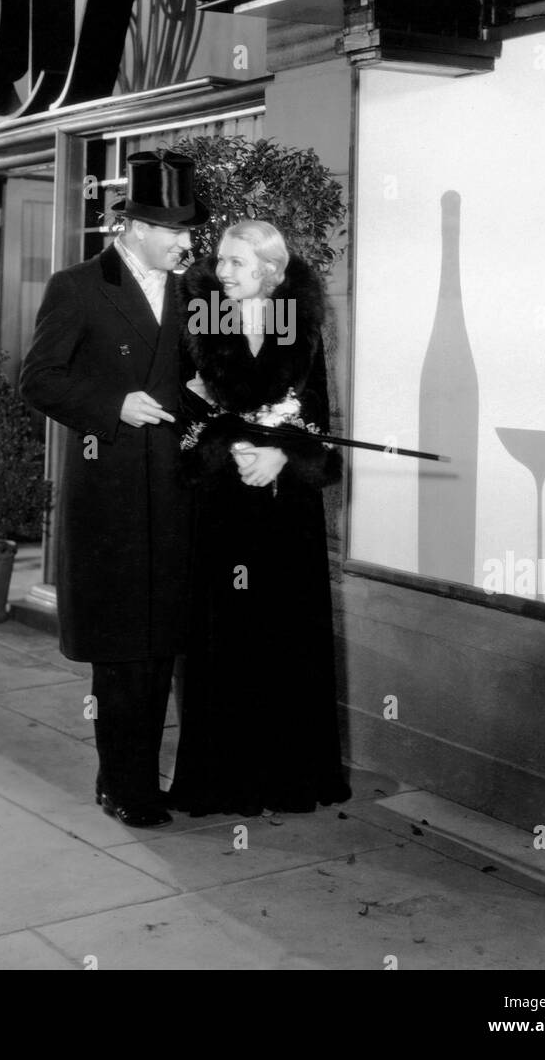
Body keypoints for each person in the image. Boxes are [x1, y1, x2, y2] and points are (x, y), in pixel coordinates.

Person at [20, 151, 209, 829]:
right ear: (132, 226)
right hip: (111, 493)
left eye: (189, 229)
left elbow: (197, 379)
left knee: (161, 641)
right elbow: (37, 378)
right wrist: (112, 404)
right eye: (172, 230)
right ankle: (126, 784)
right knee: (121, 645)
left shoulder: (192, 293)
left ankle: (133, 778)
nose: (186, 242)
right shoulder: (77, 286)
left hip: (176, 490)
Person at [169, 220, 352, 816]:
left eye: (238, 263)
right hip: (222, 500)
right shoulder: (201, 319)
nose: (223, 272)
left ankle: (290, 775)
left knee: (284, 629)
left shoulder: (302, 327)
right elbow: (182, 406)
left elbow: (317, 410)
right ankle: (223, 779)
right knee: (223, 633)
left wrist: (280, 453)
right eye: (221, 260)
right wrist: (227, 449)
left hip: (284, 503)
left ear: (271, 271)